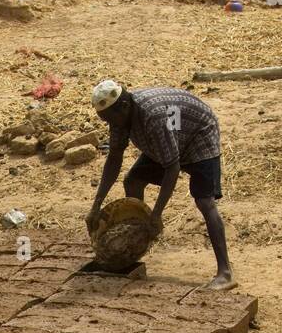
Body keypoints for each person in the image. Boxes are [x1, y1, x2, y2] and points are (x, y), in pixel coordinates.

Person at [87, 80, 235, 290]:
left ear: (124, 106)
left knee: (204, 201)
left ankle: (225, 273)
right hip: (170, 137)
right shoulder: (118, 117)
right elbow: (114, 159)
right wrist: (96, 205)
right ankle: (135, 243)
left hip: (197, 134)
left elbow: (172, 168)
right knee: (133, 181)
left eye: (110, 119)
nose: (111, 125)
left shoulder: (152, 116)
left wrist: (156, 214)